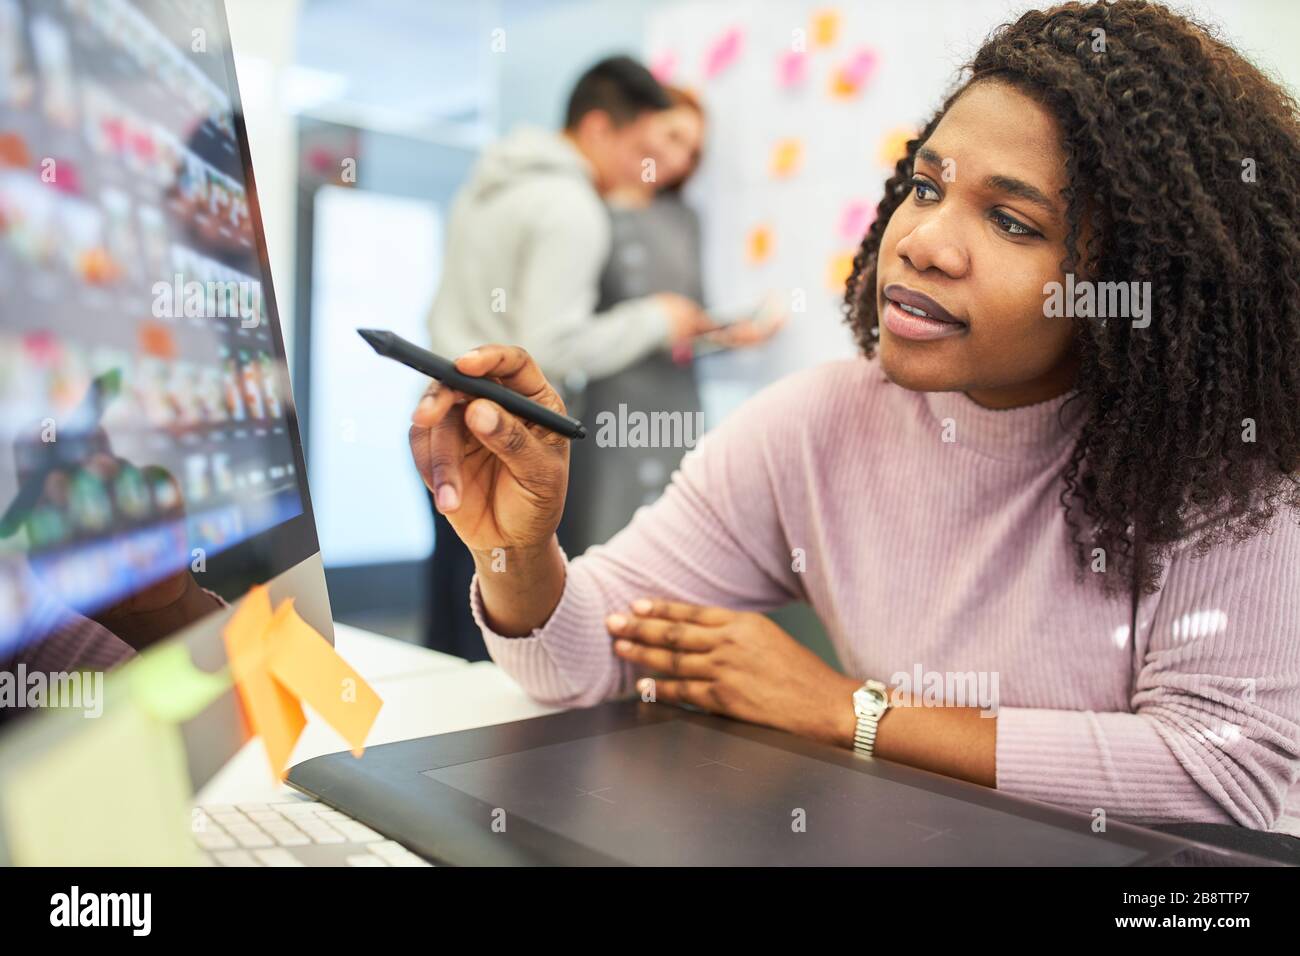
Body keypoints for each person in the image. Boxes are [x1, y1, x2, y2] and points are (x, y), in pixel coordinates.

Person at [406, 1, 1300, 853]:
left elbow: (1234, 775)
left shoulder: (1230, 463)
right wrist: (517, 554)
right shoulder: (818, 424)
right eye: (927, 185)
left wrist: (853, 713)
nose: (923, 242)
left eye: (1010, 220)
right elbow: (585, 660)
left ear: (1140, 277)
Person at [420, 57, 714, 659]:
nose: (648, 166)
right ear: (601, 129)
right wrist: (658, 318)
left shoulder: (489, 183)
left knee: (448, 620)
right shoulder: (573, 207)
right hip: (495, 433)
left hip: (438, 417)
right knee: (496, 630)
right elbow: (549, 345)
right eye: (642, 146)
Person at [562, 85, 780, 555]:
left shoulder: (685, 219)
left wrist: (728, 334)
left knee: (676, 545)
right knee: (605, 546)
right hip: (610, 410)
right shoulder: (583, 212)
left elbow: (690, 321)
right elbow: (568, 335)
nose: (680, 158)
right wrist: (656, 322)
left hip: (676, 405)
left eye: (693, 149)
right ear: (640, 128)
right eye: (673, 137)